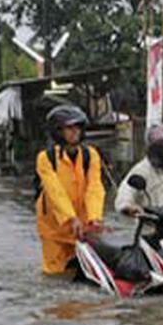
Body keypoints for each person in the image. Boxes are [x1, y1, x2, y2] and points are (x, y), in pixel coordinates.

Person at [35, 104, 106, 275]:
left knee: (85, 273)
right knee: (54, 274)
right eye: (69, 128)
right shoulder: (46, 158)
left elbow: (95, 187)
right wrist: (71, 218)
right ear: (58, 131)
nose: (75, 132)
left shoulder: (91, 155)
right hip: (54, 228)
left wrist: (94, 218)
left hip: (81, 227)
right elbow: (55, 191)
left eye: (78, 127)